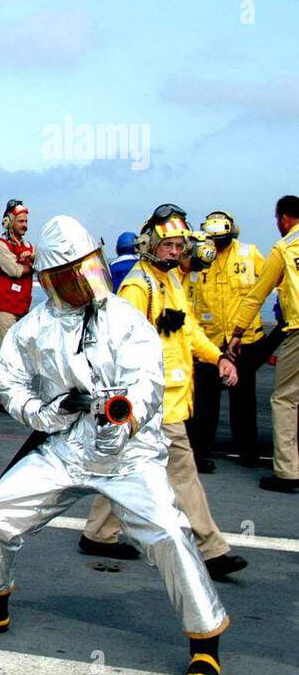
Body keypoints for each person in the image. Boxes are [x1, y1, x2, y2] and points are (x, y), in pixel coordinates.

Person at [0, 215, 230, 675]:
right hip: (67, 451)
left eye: (90, 270)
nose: (86, 283)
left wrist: (124, 418)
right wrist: (45, 412)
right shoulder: (34, 328)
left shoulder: (126, 319)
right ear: (53, 282)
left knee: (170, 534)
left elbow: (148, 383)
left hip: (131, 458)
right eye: (74, 276)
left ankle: (205, 643)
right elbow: (8, 381)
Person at [81, 205, 246, 580]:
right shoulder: (139, 286)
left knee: (121, 466)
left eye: (178, 245)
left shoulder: (170, 283)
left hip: (162, 399)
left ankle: (97, 533)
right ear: (150, 244)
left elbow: (188, 333)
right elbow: (119, 342)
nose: (175, 251)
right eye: (169, 245)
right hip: (154, 403)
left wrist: (218, 356)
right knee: (183, 473)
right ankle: (212, 548)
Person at [185, 211, 268, 472]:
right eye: (213, 239)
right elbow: (186, 296)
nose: (217, 244)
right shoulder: (198, 259)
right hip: (209, 339)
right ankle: (199, 452)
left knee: (244, 398)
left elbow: (268, 284)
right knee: (205, 401)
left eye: (221, 239)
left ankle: (248, 452)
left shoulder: (249, 253)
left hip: (244, 339)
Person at [227, 194, 299, 493]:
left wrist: (236, 334)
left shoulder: (284, 248)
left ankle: (287, 472)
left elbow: (257, 295)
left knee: (284, 399)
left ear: (283, 218)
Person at [0, 200, 35, 406]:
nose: (24, 225)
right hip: (3, 307)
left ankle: (3, 395)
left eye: (26, 221)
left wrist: (29, 260)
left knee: (20, 352)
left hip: (21, 307)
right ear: (8, 221)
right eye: (21, 221)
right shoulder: (0, 245)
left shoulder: (28, 247)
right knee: (8, 352)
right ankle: (0, 396)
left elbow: (32, 263)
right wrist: (31, 264)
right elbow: (14, 270)